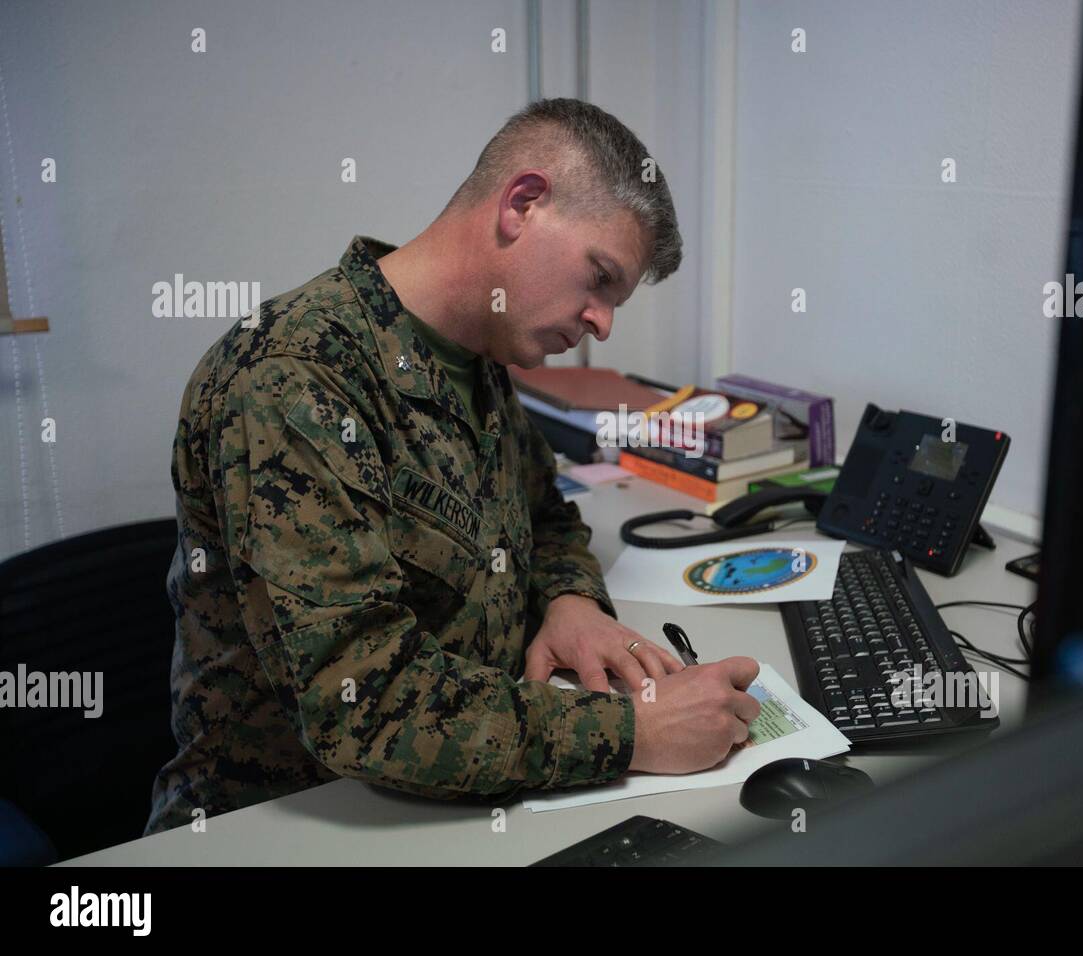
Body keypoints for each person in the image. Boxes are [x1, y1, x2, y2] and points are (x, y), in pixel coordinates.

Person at [146, 98, 761, 835]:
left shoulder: (474, 357)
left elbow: (546, 517)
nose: (602, 321)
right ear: (523, 203)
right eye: (598, 278)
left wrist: (572, 604)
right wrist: (632, 732)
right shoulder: (293, 376)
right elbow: (365, 703)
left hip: (465, 799)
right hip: (284, 823)